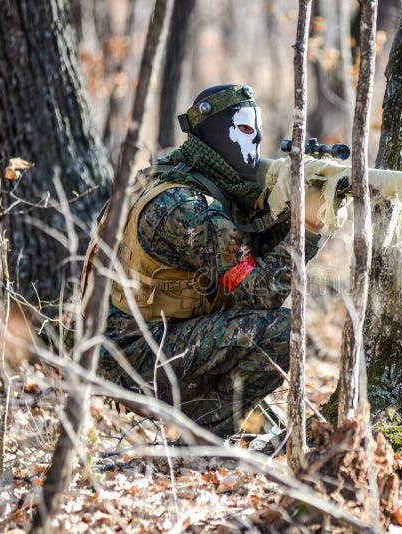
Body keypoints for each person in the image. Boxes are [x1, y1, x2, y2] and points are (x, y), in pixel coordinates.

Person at [92, 84, 323, 437]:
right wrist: (308, 227)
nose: (256, 142)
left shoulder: (176, 173)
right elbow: (264, 292)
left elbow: (246, 254)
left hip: (128, 344)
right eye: (245, 130)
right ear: (217, 133)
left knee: (262, 428)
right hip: (135, 357)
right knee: (285, 330)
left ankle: (218, 427)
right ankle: (201, 438)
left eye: (258, 133)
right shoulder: (187, 207)